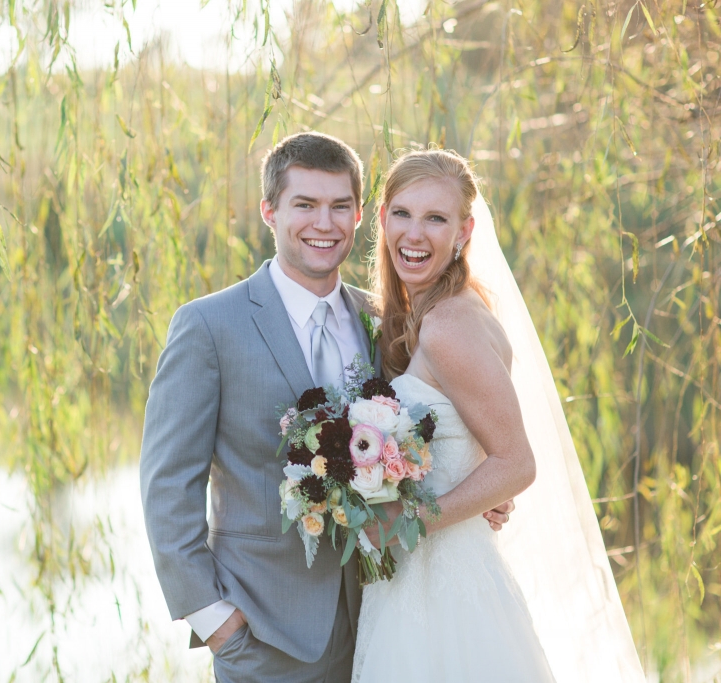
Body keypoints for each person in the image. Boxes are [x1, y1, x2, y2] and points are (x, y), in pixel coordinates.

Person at [139, 133, 512, 683]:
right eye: (305, 205)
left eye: (340, 206)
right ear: (270, 210)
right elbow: (167, 485)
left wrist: (482, 490)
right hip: (264, 636)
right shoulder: (208, 327)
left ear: (362, 215)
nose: (324, 223)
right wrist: (214, 620)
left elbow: (426, 437)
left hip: (381, 621)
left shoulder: (385, 323)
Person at [352, 149, 644, 682]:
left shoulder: (449, 325)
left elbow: (517, 463)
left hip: (443, 585)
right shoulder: (437, 312)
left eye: (436, 219)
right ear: (382, 219)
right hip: (423, 576)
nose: (415, 234)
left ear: (464, 231)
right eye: (403, 213)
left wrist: (413, 519)